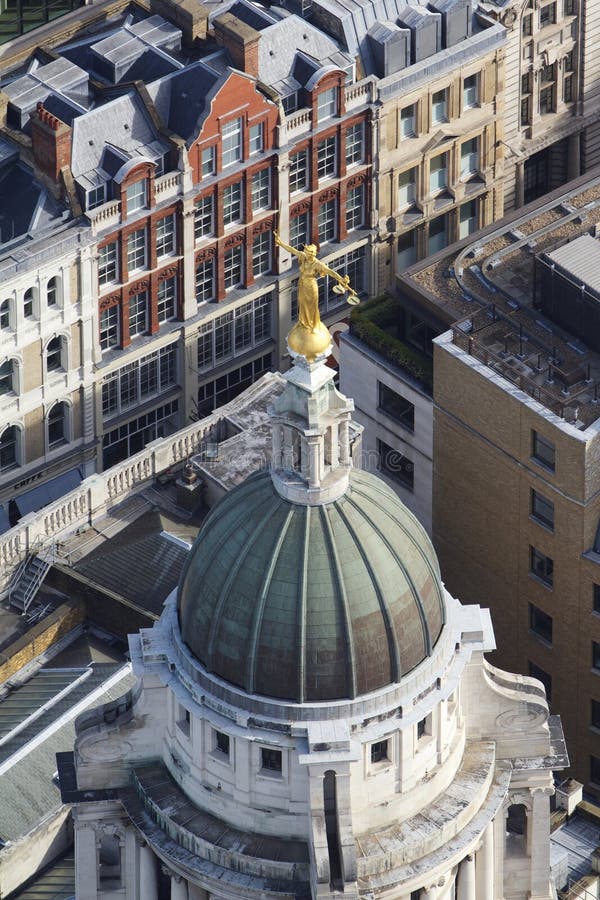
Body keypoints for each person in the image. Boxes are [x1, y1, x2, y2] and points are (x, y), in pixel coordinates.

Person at [273, 231, 357, 334]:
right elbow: (292, 250)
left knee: (311, 305)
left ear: (313, 254)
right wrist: (280, 243)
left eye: (309, 253)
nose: (307, 254)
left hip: (311, 285)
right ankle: (304, 323)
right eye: (307, 252)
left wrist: (341, 279)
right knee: (302, 303)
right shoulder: (303, 257)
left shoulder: (317, 264)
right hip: (302, 284)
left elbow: (330, 272)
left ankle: (313, 324)